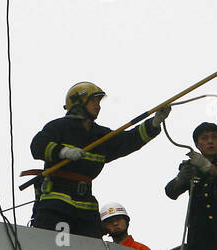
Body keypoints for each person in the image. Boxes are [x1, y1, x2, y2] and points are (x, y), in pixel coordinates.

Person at [28, 81, 168, 239]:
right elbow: (37, 146)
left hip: (86, 208)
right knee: (59, 249)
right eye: (94, 100)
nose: (98, 106)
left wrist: (154, 123)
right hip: (56, 205)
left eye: (99, 102)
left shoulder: (100, 135)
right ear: (78, 102)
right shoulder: (59, 127)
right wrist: (63, 151)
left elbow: (128, 140)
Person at [165, 122, 217, 250]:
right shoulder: (191, 166)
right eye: (204, 138)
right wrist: (181, 179)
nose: (210, 141)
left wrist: (209, 168)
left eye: (214, 137)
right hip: (198, 240)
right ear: (197, 144)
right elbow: (170, 192)